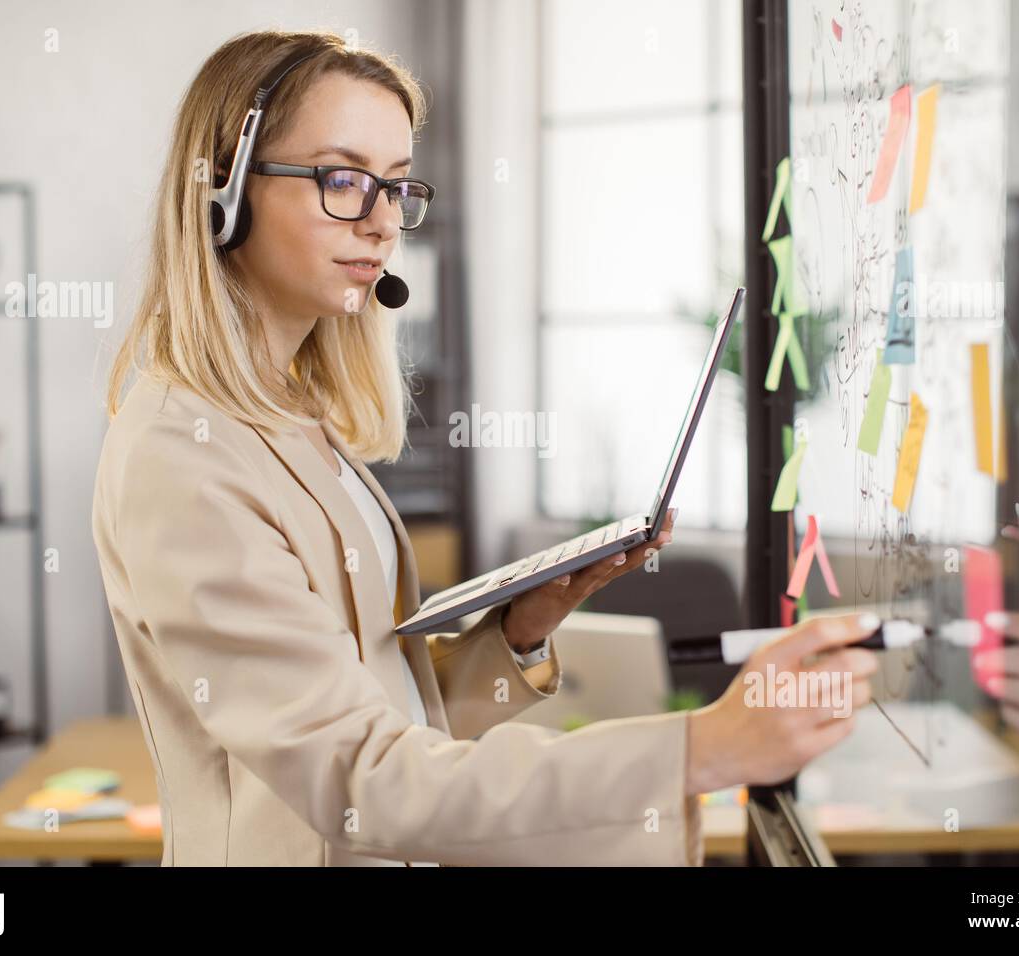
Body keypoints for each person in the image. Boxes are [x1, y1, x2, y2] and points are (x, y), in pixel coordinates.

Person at [91, 28, 877, 866]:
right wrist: (704, 747)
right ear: (223, 186)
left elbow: (386, 721)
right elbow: (363, 779)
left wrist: (516, 633)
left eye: (396, 187)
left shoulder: (291, 419)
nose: (384, 222)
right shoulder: (185, 455)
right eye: (344, 179)